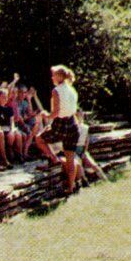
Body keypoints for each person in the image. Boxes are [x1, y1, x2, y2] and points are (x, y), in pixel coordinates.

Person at [39, 65, 83, 193]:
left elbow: (56, 112)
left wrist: (46, 115)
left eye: (53, 75)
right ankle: (71, 187)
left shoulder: (56, 90)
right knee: (70, 158)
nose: (52, 78)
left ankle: (54, 159)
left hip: (62, 124)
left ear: (59, 76)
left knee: (39, 139)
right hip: (72, 124)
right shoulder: (72, 89)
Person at [0, 84, 27, 162]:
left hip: (8, 128)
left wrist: (12, 130)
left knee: (18, 134)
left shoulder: (9, 109)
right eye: (3, 97)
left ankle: (19, 155)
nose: (6, 98)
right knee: (11, 136)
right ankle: (9, 152)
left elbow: (11, 121)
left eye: (6, 97)